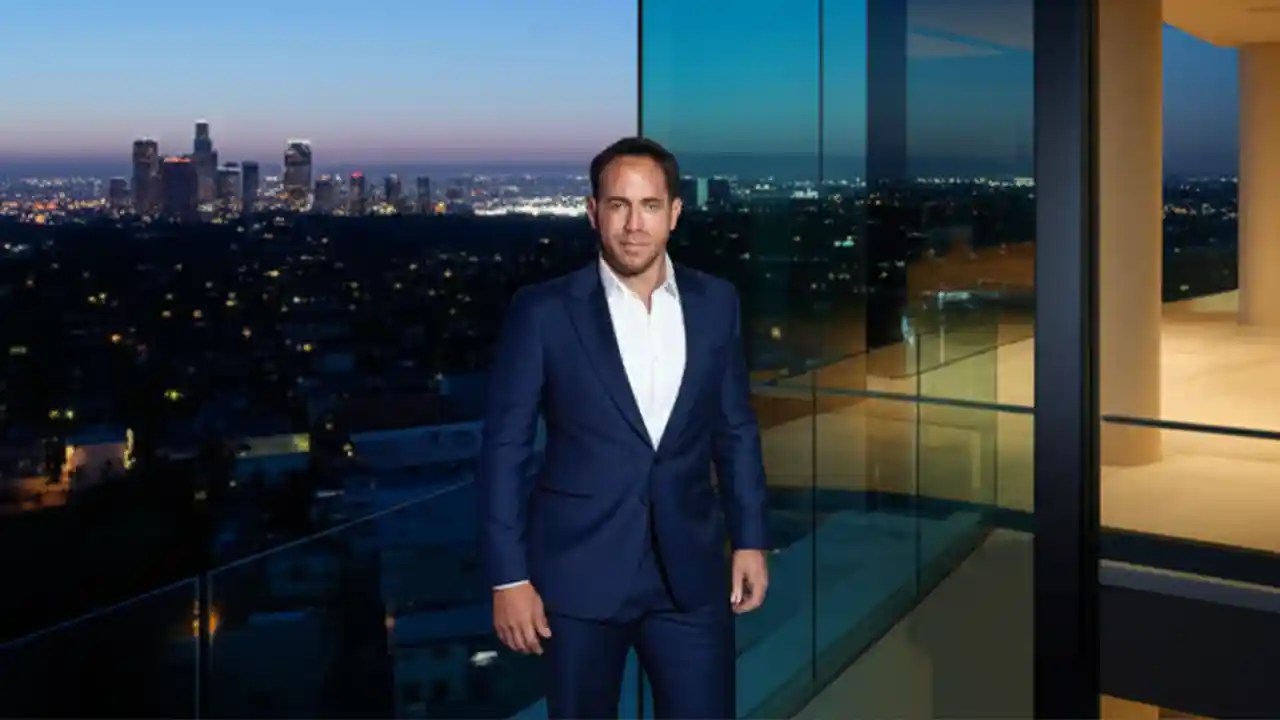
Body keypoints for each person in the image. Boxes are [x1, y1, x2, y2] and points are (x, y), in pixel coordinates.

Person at [478, 136, 769, 719]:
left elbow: (734, 429)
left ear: (675, 214)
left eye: (650, 206)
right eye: (618, 205)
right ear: (593, 212)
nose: (634, 224)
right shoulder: (543, 311)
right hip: (578, 577)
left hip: (690, 575)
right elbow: (504, 452)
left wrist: (752, 538)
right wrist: (508, 578)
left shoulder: (717, 302)